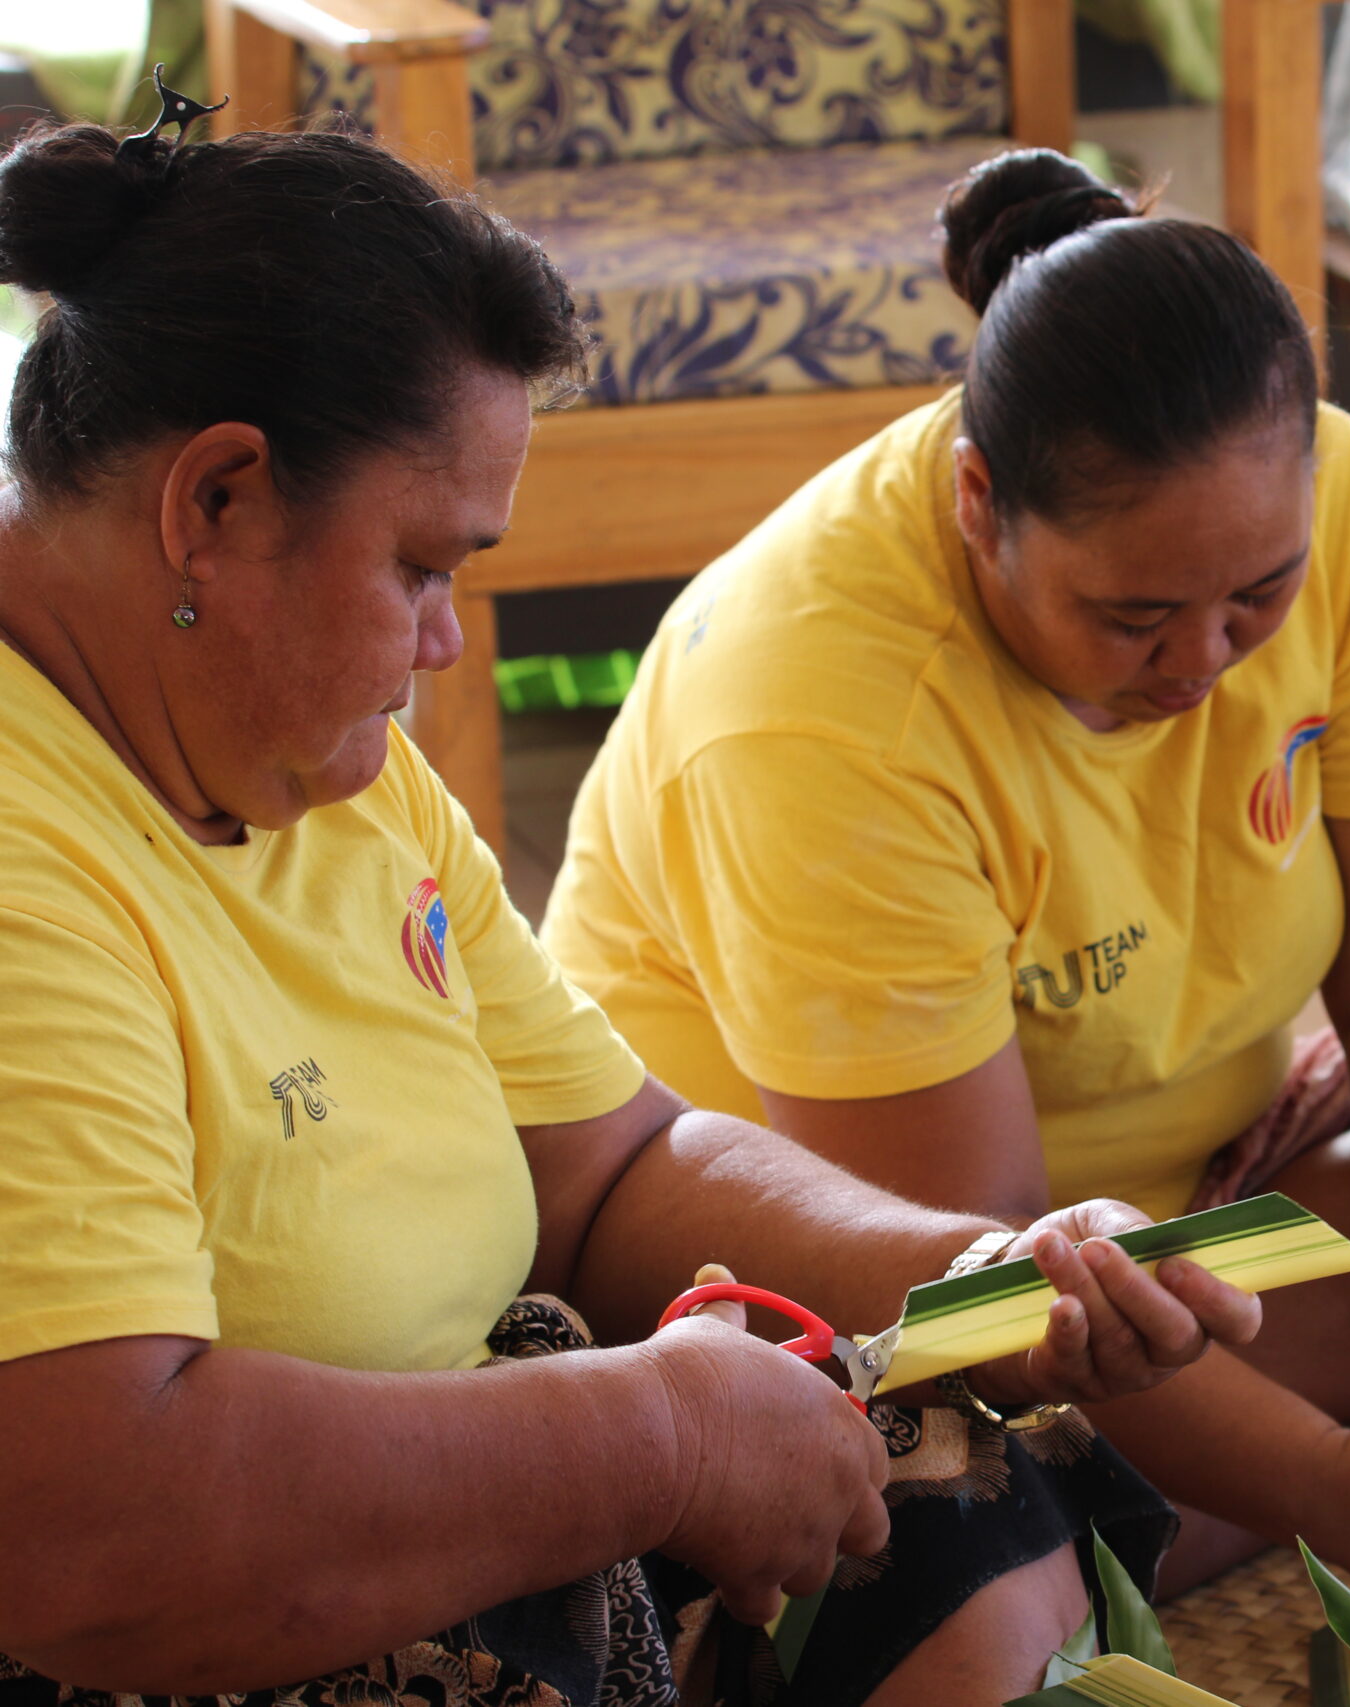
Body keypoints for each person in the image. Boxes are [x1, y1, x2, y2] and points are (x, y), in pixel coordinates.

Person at [0, 114, 1265, 1705]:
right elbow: (93, 1528)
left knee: (950, 1490)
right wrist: (650, 1434)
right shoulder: (26, 859)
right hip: (159, 1632)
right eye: (420, 567)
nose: (449, 644)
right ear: (222, 502)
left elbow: (614, 1168)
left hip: (441, 1479)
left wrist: (990, 1279)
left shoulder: (311, 756)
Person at [539, 148, 1350, 1602]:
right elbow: (984, 1297)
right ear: (979, 505)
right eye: (1136, 616)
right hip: (889, 1291)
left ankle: (1187, 1502)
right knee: (942, 1505)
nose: (1209, 662)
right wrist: (1321, 1480)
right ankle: (1179, 1511)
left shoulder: (1333, 499)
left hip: (1188, 1203)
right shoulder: (814, 705)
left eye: (1257, 599)